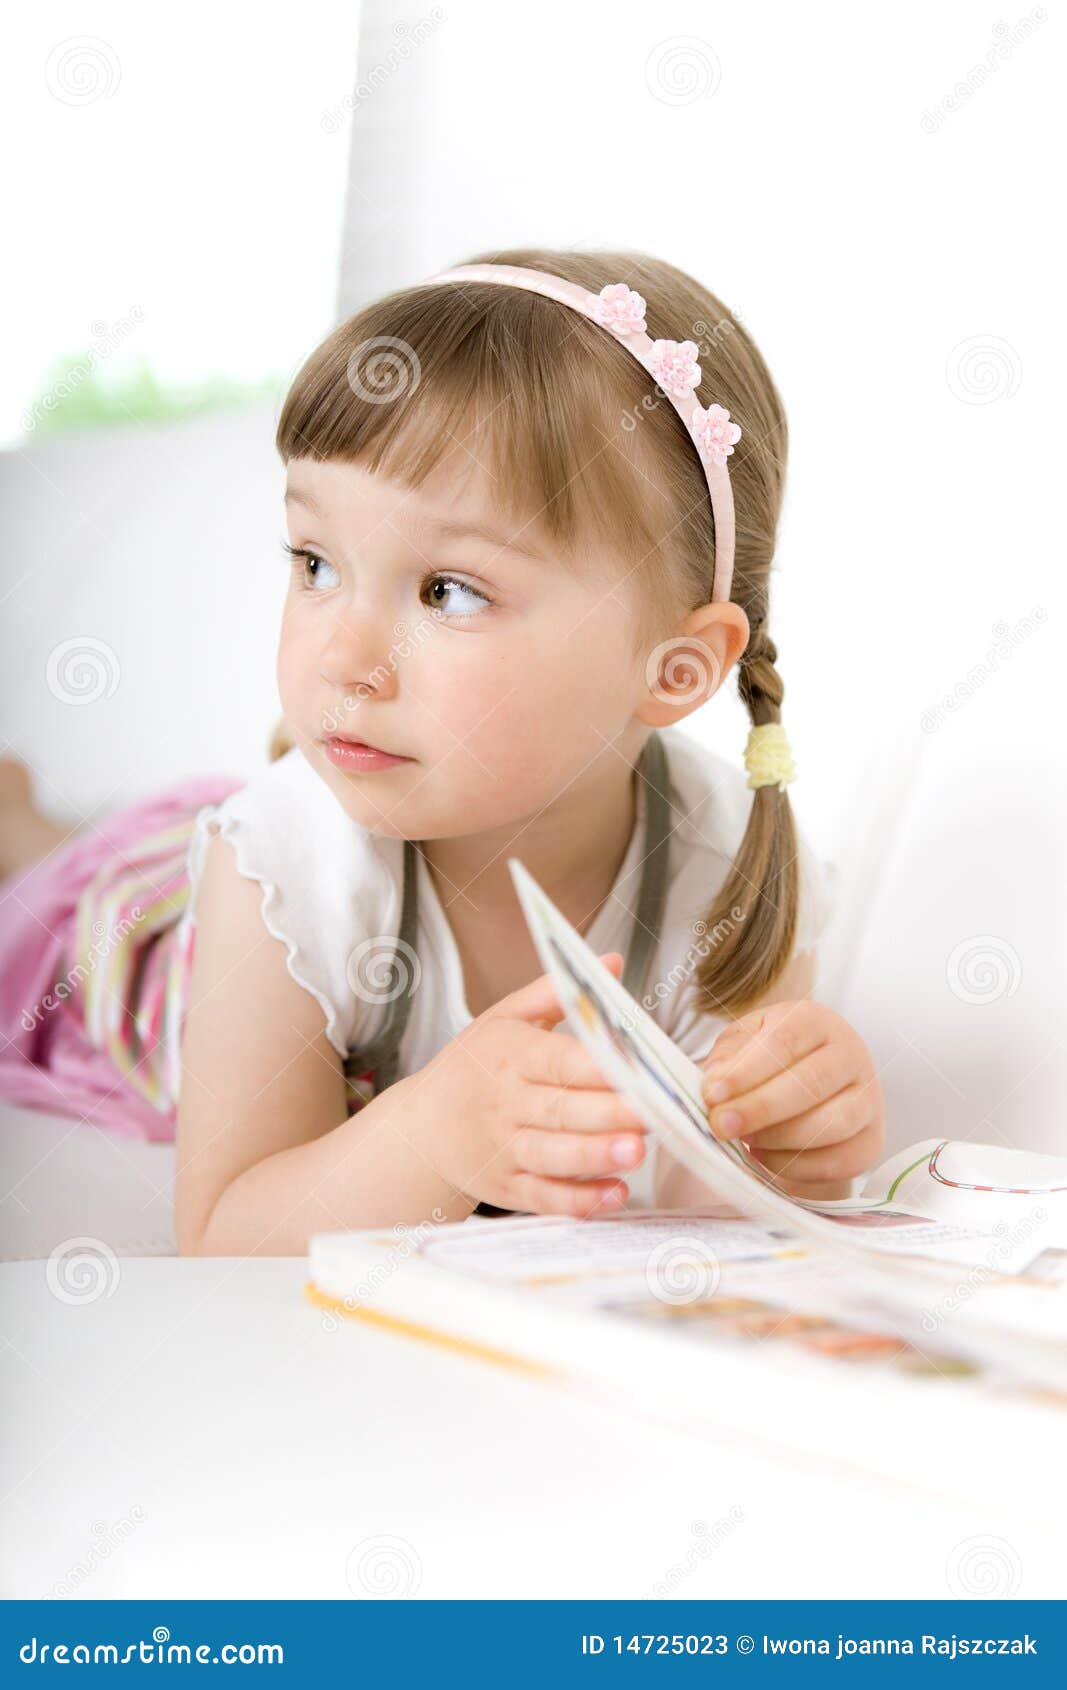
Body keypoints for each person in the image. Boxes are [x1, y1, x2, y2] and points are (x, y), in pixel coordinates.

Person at [0, 249, 885, 1254]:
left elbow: (692, 1181)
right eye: (315, 562)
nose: (343, 655)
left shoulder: (733, 866)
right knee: (70, 887)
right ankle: (25, 824)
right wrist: (430, 1138)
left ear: (673, 669)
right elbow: (223, 1228)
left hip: (273, 813)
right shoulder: (274, 864)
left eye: (447, 591)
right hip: (147, 938)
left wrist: (792, 1135)